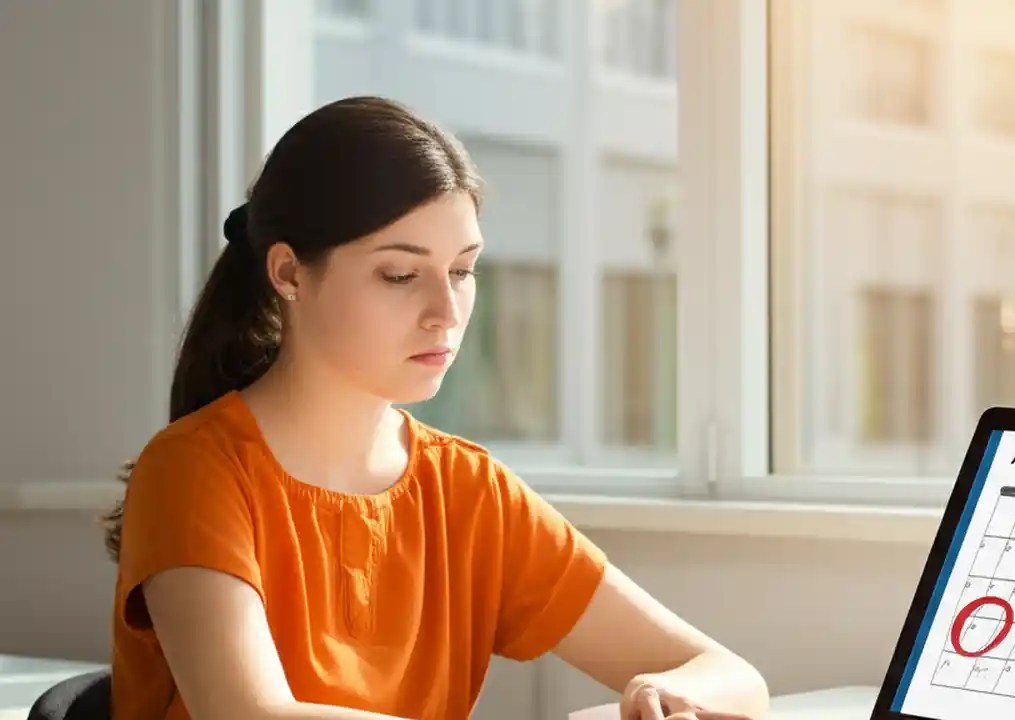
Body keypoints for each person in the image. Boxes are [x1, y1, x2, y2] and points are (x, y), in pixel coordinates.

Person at [102, 96, 769, 720]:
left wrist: (668, 689)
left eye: (462, 271)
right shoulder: (194, 469)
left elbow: (730, 674)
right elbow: (250, 715)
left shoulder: (468, 491)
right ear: (288, 274)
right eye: (400, 274)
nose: (446, 313)